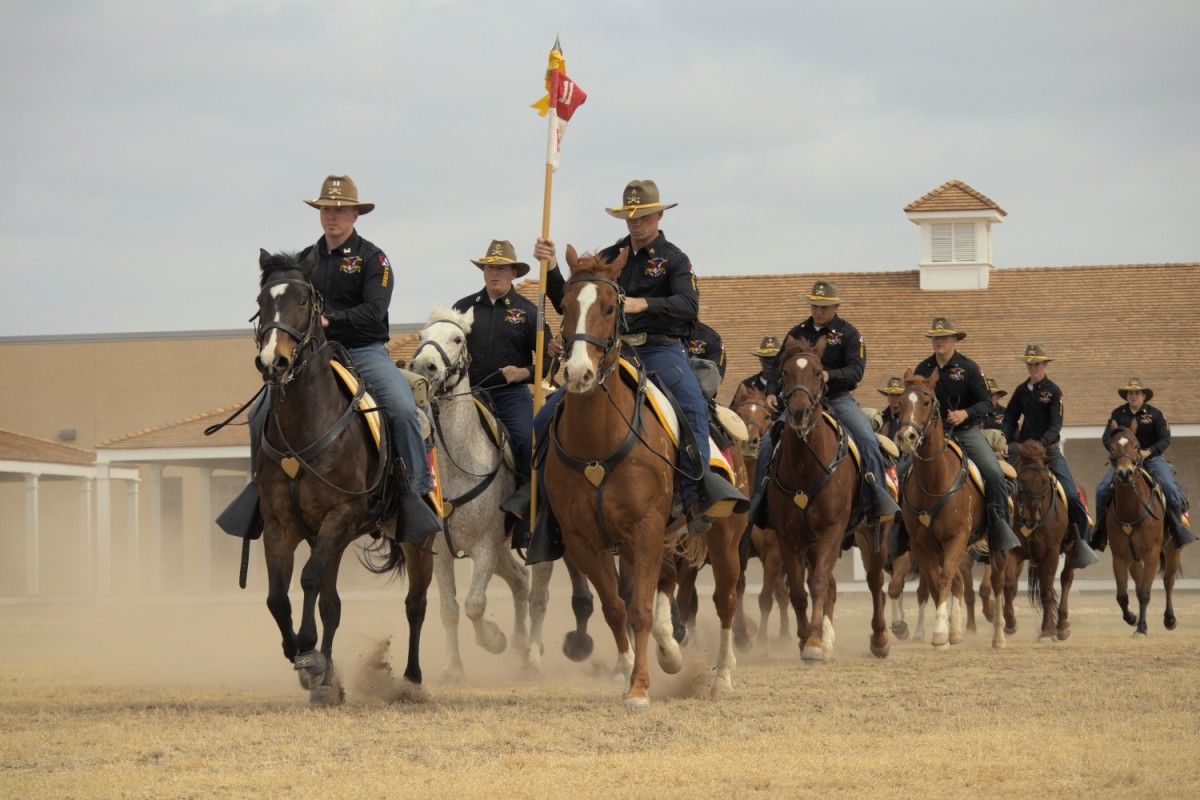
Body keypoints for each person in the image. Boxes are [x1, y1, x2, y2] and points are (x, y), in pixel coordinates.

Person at [527, 179, 747, 560]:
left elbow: (688, 306)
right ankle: (549, 507)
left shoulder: (675, 259)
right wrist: (551, 270)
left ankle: (698, 494)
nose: (636, 223)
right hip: (615, 353)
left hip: (663, 351)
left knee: (692, 404)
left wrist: (640, 305)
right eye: (629, 216)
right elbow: (574, 304)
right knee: (546, 415)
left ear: (659, 215)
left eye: (643, 216)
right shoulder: (610, 256)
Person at [232, 175, 439, 542]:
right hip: (314, 356)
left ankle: (415, 494)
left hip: (365, 351)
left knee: (404, 410)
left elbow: (375, 310)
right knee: (257, 413)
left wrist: (332, 320)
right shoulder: (304, 262)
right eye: (327, 209)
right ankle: (257, 490)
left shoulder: (373, 258)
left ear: (356, 215)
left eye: (341, 210)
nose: (333, 216)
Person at [748, 280, 901, 530]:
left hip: (839, 400)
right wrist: (772, 392)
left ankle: (877, 498)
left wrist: (830, 376)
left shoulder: (850, 334)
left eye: (824, 306)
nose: (818, 310)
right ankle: (759, 502)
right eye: (814, 305)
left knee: (866, 438)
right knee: (767, 443)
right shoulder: (796, 333)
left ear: (836, 306)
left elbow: (856, 370)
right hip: (800, 401)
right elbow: (778, 367)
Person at [451, 240, 551, 520]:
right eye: (490, 267)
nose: (495, 273)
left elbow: (550, 360)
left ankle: (528, 501)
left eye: (502, 268)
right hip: (467, 395)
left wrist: (526, 373)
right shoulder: (463, 307)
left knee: (528, 441)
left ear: (514, 273)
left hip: (510, 397)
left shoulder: (531, 312)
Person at [910, 317, 1020, 556]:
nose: (938, 342)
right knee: (902, 471)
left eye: (943, 337)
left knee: (992, 471)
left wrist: (965, 413)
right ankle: (901, 531)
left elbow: (986, 404)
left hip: (966, 432)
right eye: (935, 338)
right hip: (932, 438)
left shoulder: (969, 368)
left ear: (954, 340)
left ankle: (999, 527)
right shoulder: (923, 369)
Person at [1001, 344, 1098, 568]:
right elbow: (1010, 418)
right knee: (998, 485)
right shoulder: (1021, 391)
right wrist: (1006, 441)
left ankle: (1082, 542)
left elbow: (1056, 424)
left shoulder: (1053, 391)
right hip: (1023, 453)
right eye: (1030, 364)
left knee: (1072, 496)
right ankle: (993, 538)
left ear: (1045, 365)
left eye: (1037, 364)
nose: (1033, 367)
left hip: (1049, 451)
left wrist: (1041, 445)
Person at [1092, 378, 1194, 551]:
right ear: (1127, 396)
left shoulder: (1155, 414)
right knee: (1101, 490)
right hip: (1125, 460)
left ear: (1144, 396)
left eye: (1137, 393)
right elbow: (1106, 437)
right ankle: (1100, 533)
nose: (1133, 396)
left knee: (1170, 489)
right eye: (1130, 393)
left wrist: (1149, 451)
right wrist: (1116, 451)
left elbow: (1165, 438)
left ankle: (1177, 530)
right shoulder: (1117, 414)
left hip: (1152, 459)